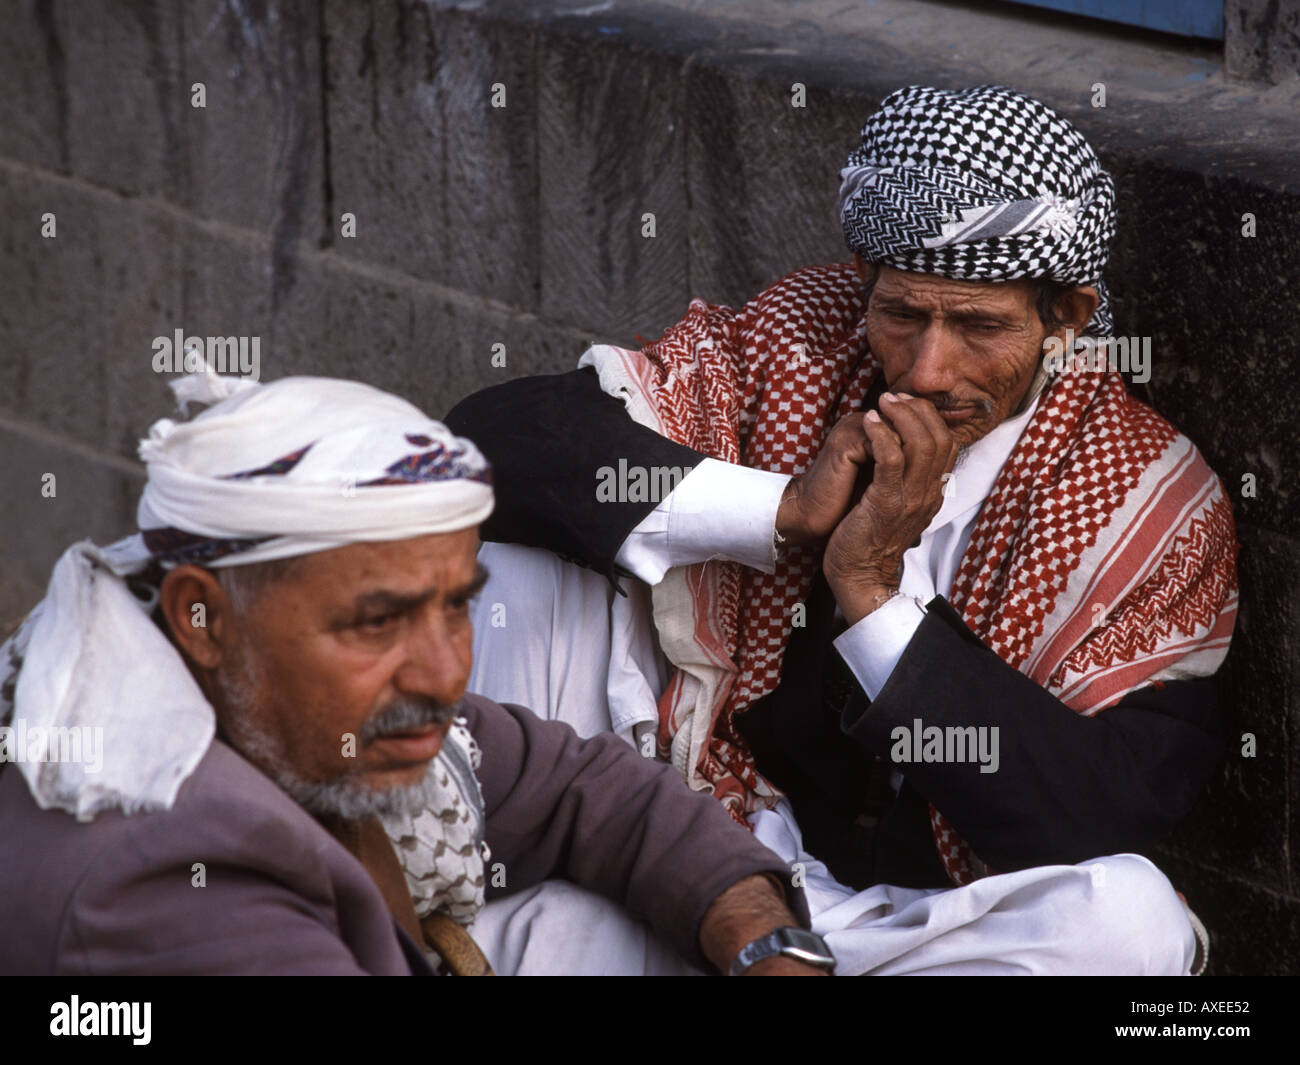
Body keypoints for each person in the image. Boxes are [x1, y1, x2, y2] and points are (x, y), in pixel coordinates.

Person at [445, 85, 1238, 974]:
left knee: (1134, 926)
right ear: (865, 286)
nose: (929, 369)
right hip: (692, 844)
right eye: (901, 313)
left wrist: (872, 594)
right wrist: (781, 513)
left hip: (914, 922)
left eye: (979, 326)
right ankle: (479, 903)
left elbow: (1092, 816)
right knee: (519, 568)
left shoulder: (1148, 497)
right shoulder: (800, 340)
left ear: (1069, 318)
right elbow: (489, 441)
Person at [0, 370, 827, 976]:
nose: (442, 673)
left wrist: (767, 945)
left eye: (457, 607)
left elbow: (587, 786)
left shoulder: (305, 714)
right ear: (200, 617)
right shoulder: (166, 876)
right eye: (377, 621)